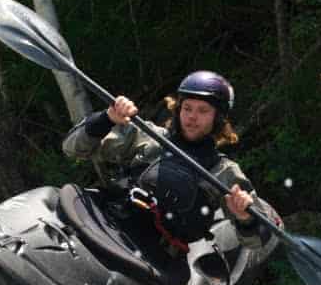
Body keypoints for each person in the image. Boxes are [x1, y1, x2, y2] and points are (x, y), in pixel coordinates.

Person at [62, 70, 275, 262]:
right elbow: (72, 148)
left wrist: (245, 218)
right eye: (187, 108)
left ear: (217, 118)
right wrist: (107, 118)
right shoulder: (148, 137)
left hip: (156, 256)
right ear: (178, 109)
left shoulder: (225, 172)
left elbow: (257, 241)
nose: (192, 117)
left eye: (203, 111)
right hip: (112, 222)